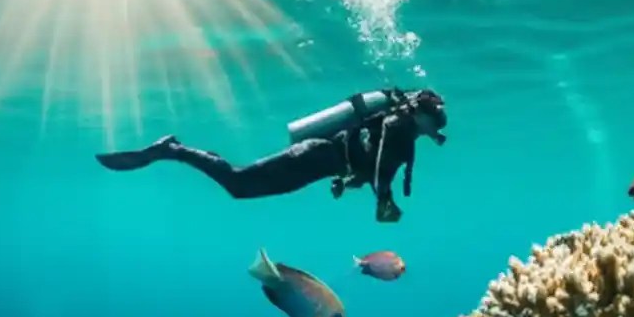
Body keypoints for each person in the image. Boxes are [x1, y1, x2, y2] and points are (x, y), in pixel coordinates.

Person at [95, 88, 447, 223]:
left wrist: (349, 181)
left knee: (239, 183)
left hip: (317, 162)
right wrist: (383, 200)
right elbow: (381, 162)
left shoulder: (402, 132)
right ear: (421, 116)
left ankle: (198, 156)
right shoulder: (397, 128)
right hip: (312, 157)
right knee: (237, 184)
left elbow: (370, 162)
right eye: (433, 125)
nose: (433, 133)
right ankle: (172, 149)